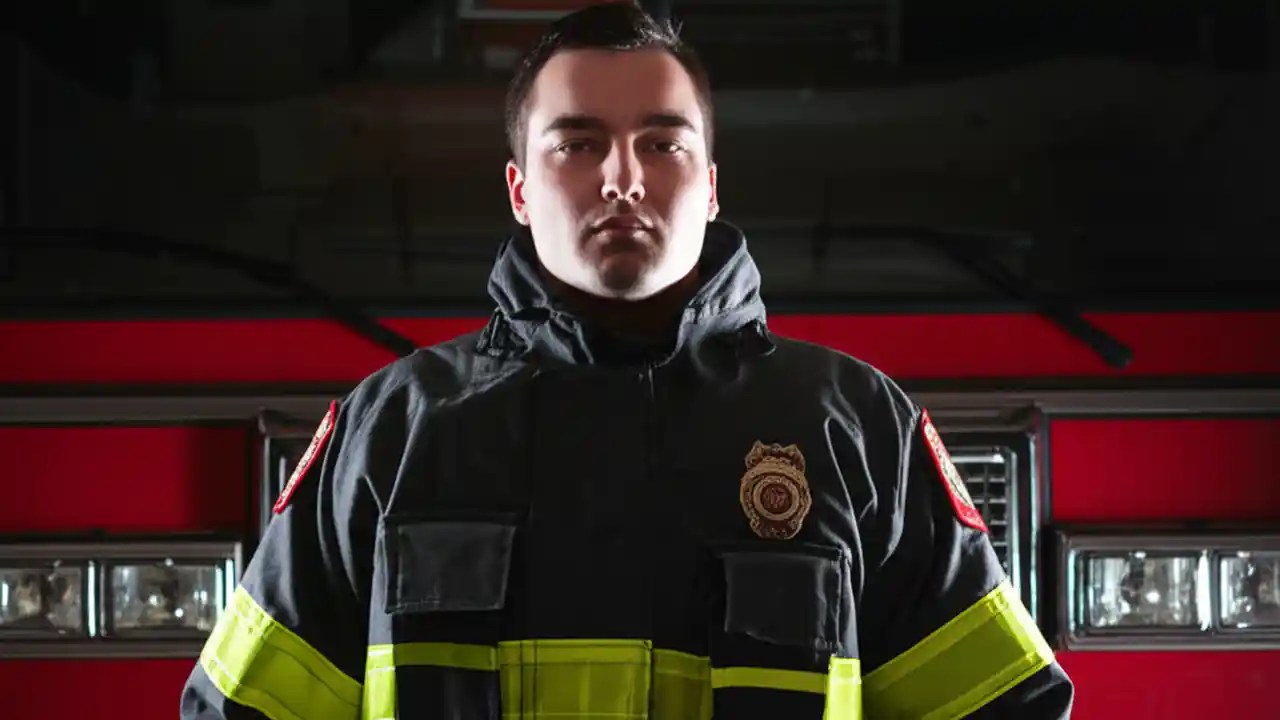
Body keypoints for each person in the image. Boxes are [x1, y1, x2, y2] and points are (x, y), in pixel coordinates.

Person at [181, 2, 1073, 717]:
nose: (623, 178)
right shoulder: (390, 431)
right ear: (519, 190)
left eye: (662, 142)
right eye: (577, 144)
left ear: (710, 184)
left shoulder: (855, 427)